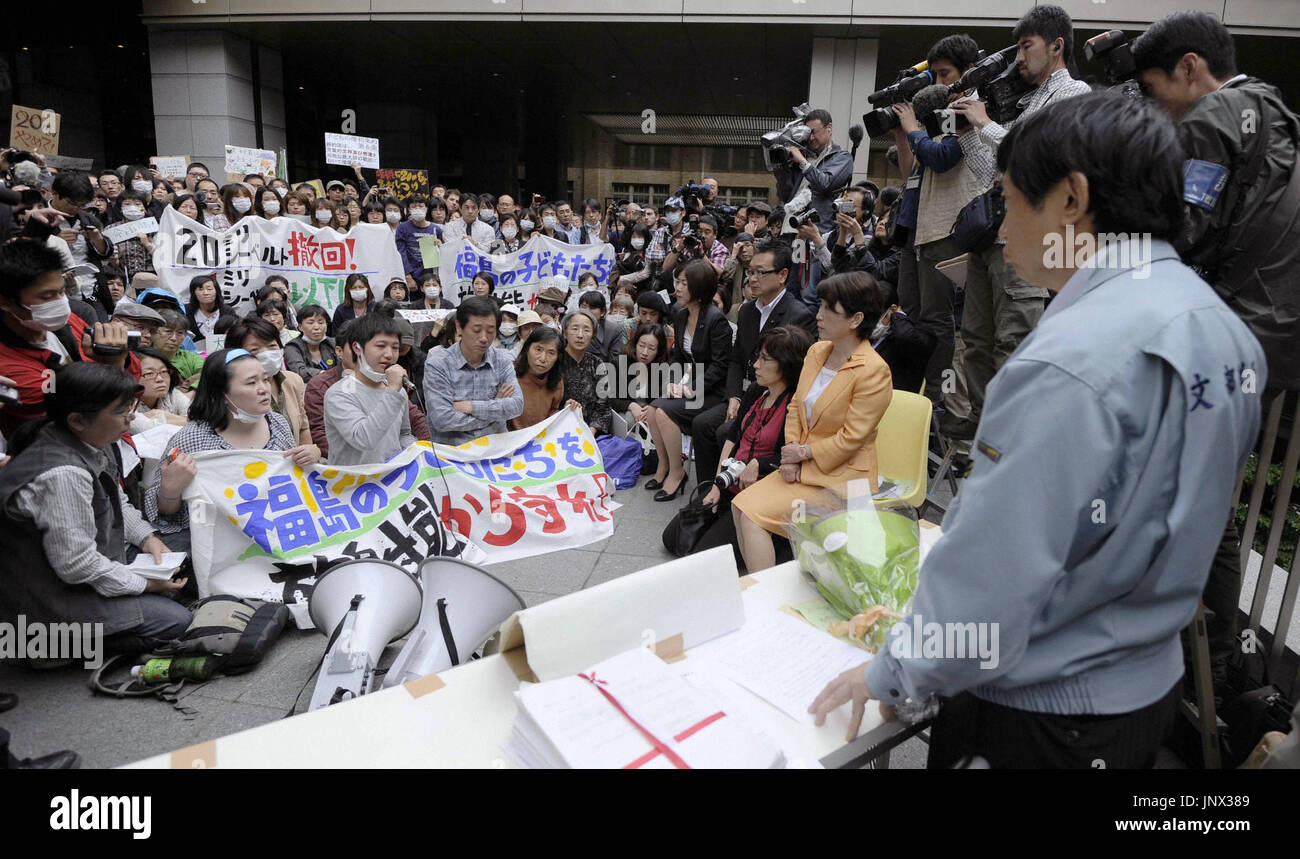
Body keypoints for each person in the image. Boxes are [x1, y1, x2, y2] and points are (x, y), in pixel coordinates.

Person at [809, 92, 1269, 769]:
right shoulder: (1227, 334)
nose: (999, 226)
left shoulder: (1070, 359)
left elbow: (999, 572)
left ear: (1072, 200)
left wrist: (892, 671)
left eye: (1007, 197)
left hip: (1045, 711)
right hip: (1146, 689)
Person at [1133, 10, 1300, 696]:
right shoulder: (1275, 110)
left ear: (1191, 68)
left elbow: (1186, 230)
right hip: (1274, 336)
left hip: (1234, 334)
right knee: (1207, 491)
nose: (1155, 108)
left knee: (1191, 492)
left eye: (1154, 89)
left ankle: (1210, 660)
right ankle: (1217, 661)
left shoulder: (1210, 118)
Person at [943, 6, 1091, 433]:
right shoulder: (1025, 101)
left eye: (1026, 46)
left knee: (1015, 337)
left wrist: (985, 121)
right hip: (993, 232)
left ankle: (1011, 433)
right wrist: (966, 132)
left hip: (1031, 235)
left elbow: (1035, 155)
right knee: (975, 339)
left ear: (1056, 45)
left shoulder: (1074, 93)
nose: (1018, 58)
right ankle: (984, 426)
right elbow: (993, 170)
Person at [0, 363, 191, 656]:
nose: (130, 418)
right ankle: (48, 649)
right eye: (120, 411)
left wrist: (149, 539)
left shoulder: (90, 437)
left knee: (181, 558)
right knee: (175, 622)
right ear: (78, 420)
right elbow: (76, 564)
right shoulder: (63, 473)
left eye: (131, 407)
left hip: (89, 560)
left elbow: (115, 502)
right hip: (51, 596)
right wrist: (144, 585)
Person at [732, 272, 893, 572]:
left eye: (828, 310)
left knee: (751, 514)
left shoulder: (874, 371)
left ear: (856, 319)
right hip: (803, 467)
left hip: (841, 478)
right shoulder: (817, 352)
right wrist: (791, 454)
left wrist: (802, 454)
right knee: (740, 504)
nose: (817, 316)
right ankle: (764, 585)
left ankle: (765, 594)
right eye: (819, 306)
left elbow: (852, 437)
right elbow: (795, 407)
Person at [146, 348, 320, 555]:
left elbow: (293, 485)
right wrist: (170, 490)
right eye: (251, 382)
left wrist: (312, 459)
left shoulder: (278, 423)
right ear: (222, 392)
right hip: (223, 550)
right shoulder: (191, 439)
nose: (264, 388)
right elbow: (165, 516)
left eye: (265, 380)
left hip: (281, 539)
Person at [692, 241, 817, 485]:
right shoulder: (747, 311)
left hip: (774, 397)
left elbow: (796, 374)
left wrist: (751, 400)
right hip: (745, 391)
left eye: (761, 272)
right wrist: (735, 396)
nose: (753, 279)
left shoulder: (798, 315)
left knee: (724, 432)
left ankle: (730, 490)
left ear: (782, 275)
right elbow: (736, 359)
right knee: (701, 424)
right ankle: (708, 490)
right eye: (750, 271)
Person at [694, 325, 815, 570]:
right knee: (677, 535)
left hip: (761, 489)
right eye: (757, 357)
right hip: (733, 483)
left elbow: (790, 455)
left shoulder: (796, 404)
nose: (756, 365)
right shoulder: (756, 391)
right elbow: (733, 435)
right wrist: (719, 482)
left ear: (786, 364)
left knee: (704, 556)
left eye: (764, 359)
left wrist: (759, 463)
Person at [0, 241, 133, 438]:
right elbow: (84, 420)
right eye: (47, 297)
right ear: (6, 302)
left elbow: (136, 379)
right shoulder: (8, 367)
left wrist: (120, 356)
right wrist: (112, 366)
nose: (60, 303)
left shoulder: (66, 321)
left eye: (62, 291)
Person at [645, 261, 732, 501]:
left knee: (664, 412)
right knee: (652, 409)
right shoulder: (680, 312)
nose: (678, 288)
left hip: (714, 391)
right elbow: (680, 357)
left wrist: (690, 389)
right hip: (691, 384)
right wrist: (673, 381)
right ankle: (663, 467)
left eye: (684, 283)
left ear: (700, 287)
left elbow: (720, 367)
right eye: (678, 282)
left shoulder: (716, 320)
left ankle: (677, 473)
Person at [771, 108, 855, 312]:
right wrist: (781, 166)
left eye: (815, 132)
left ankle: (811, 341)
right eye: (808, 133)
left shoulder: (841, 157)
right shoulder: (805, 157)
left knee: (809, 293)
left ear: (829, 129)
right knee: (791, 288)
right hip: (794, 234)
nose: (811, 138)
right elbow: (786, 194)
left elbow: (825, 183)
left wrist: (801, 161)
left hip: (816, 235)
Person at [422, 297, 522, 444]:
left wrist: (471, 406)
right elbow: (442, 420)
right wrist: (495, 410)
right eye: (476, 330)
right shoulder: (437, 365)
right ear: (459, 327)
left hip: (496, 449)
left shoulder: (502, 360)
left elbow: (516, 405)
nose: (483, 338)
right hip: (453, 454)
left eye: (490, 331)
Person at [322, 312, 416, 466]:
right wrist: (392, 391)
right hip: (355, 484)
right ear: (357, 348)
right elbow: (363, 439)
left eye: (395, 347)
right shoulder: (339, 393)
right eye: (380, 346)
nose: (389, 355)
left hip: (393, 481)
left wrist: (415, 449)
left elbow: (404, 433)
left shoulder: (397, 390)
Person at [224, 316, 313, 447]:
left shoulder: (293, 381)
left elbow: (303, 427)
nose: (267, 354)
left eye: (272, 346)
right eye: (255, 350)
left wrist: (309, 453)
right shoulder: (232, 390)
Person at [556, 309, 613, 437]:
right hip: (558, 430)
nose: (580, 335)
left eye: (586, 330)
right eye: (575, 329)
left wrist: (590, 433)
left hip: (591, 433)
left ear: (592, 336)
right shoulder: (555, 362)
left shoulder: (598, 364)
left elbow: (603, 408)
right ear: (565, 333)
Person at [608, 322, 669, 425]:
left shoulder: (661, 368)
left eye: (651, 348)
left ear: (658, 351)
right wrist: (630, 405)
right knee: (629, 420)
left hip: (649, 415)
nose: (645, 352)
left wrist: (652, 407)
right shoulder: (619, 363)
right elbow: (608, 397)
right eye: (641, 346)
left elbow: (663, 398)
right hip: (624, 413)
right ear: (635, 344)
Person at [509, 325, 566, 431]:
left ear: (557, 357)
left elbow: (551, 417)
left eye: (551, 353)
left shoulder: (556, 381)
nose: (543, 358)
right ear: (527, 349)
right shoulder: (510, 374)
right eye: (538, 349)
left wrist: (567, 410)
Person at [131, 347, 190, 431]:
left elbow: (201, 420)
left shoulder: (172, 394)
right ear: (132, 376)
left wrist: (159, 414)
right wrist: (167, 418)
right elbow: (150, 429)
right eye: (149, 373)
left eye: (164, 371)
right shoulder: (125, 404)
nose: (160, 379)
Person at [395, 194, 442, 290]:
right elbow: (401, 253)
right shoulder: (402, 228)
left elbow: (444, 254)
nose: (417, 209)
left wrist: (441, 246)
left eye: (421, 206)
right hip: (412, 276)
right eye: (413, 207)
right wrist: (408, 277)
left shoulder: (436, 229)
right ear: (408, 210)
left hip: (432, 277)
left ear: (426, 208)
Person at [284, 303, 337, 382]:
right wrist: (324, 374)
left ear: (326, 326)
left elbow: (345, 366)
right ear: (300, 327)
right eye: (311, 323)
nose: (316, 327)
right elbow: (299, 371)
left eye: (321, 322)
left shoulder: (333, 343)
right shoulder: (292, 347)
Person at [153, 308, 204, 389]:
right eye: (168, 331)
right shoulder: (143, 358)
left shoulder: (190, 357)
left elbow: (211, 372)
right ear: (154, 332)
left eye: (180, 333)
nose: (174, 338)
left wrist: (192, 387)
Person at [578, 290, 628, 362]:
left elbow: (615, 361)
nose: (587, 311)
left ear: (602, 312)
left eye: (592, 308)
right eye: (584, 307)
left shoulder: (613, 330)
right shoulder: (571, 327)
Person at [185, 273, 236, 341]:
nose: (206, 293)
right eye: (200, 289)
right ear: (194, 293)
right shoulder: (186, 311)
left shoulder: (228, 311)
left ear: (216, 291)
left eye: (209, 289)